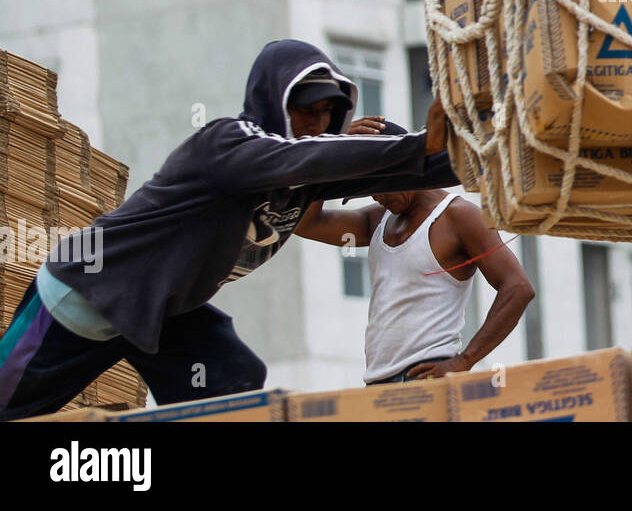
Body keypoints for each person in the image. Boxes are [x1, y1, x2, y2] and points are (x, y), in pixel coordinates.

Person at [0, 39, 459, 420]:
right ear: (274, 102)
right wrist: (419, 142)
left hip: (160, 311)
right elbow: (305, 157)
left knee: (229, 378)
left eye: (326, 114)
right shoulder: (228, 143)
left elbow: (412, 171)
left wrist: (495, 152)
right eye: (304, 112)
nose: (316, 125)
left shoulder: (306, 172)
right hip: (85, 295)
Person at [296, 124, 534, 384]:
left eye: (379, 187)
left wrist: (465, 360)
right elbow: (306, 224)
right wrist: (328, 148)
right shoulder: (377, 220)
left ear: (405, 168)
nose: (376, 197)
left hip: (427, 374)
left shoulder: (458, 217)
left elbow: (518, 287)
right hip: (377, 381)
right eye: (368, 190)